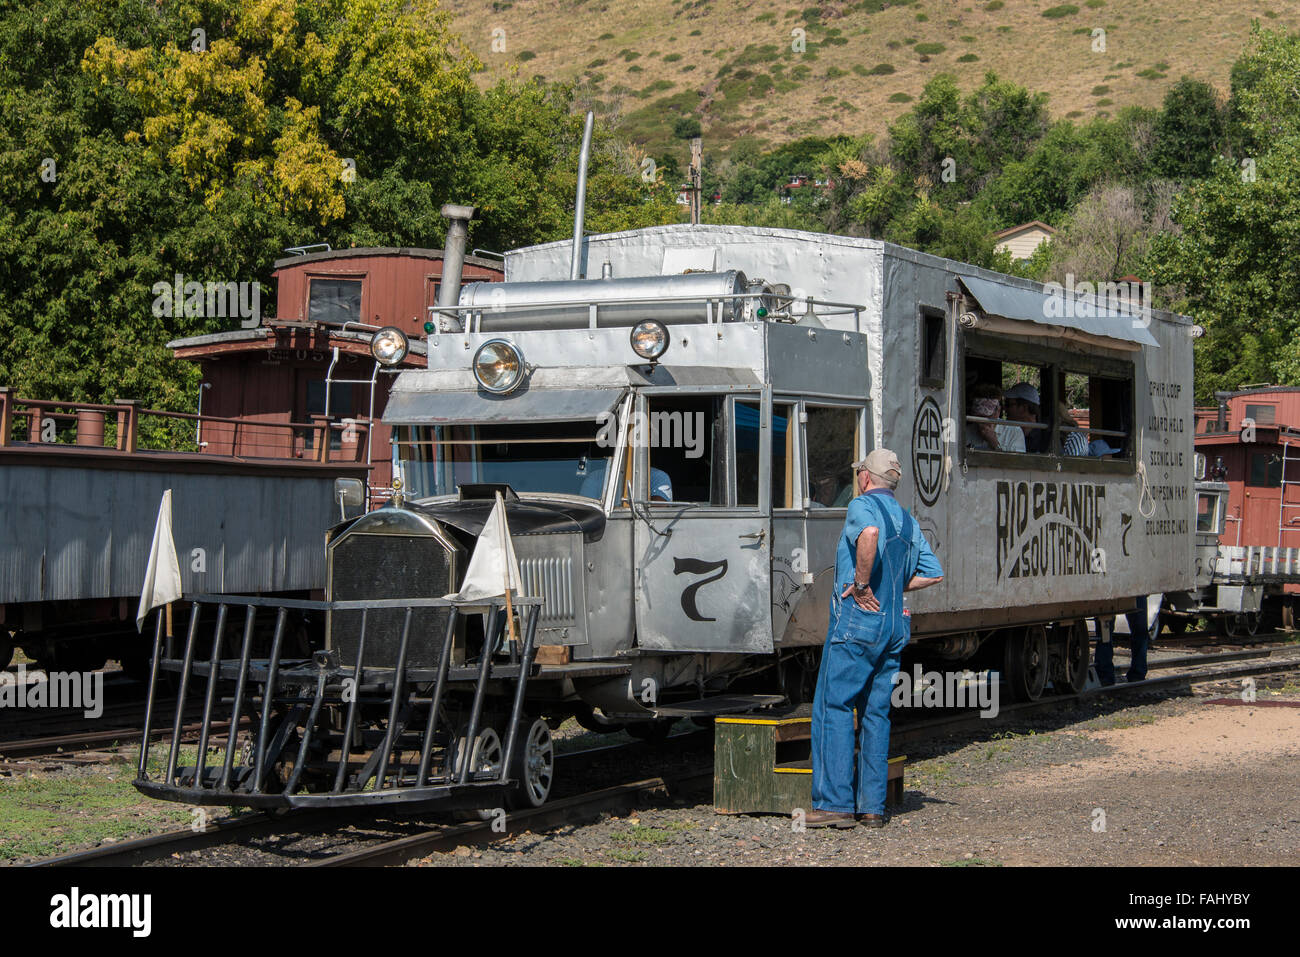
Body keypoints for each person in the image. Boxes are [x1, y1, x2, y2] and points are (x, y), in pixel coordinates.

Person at [807, 448, 944, 828]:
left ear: (865, 477)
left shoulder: (861, 507)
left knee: (833, 706)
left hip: (858, 622)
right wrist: (894, 590)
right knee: (876, 713)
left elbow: (868, 535)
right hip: (895, 626)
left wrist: (863, 585)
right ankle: (872, 808)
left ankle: (834, 804)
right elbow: (933, 573)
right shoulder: (907, 520)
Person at [966, 383, 1025, 453]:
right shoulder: (966, 432)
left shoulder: (1014, 431)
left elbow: (1017, 462)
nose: (983, 421)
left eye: (988, 416)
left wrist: (994, 443)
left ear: (998, 412)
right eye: (979, 416)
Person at [1004, 383, 1046, 452]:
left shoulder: (1045, 439)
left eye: (1008, 404)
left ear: (1023, 408)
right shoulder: (1007, 432)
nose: (1005, 409)